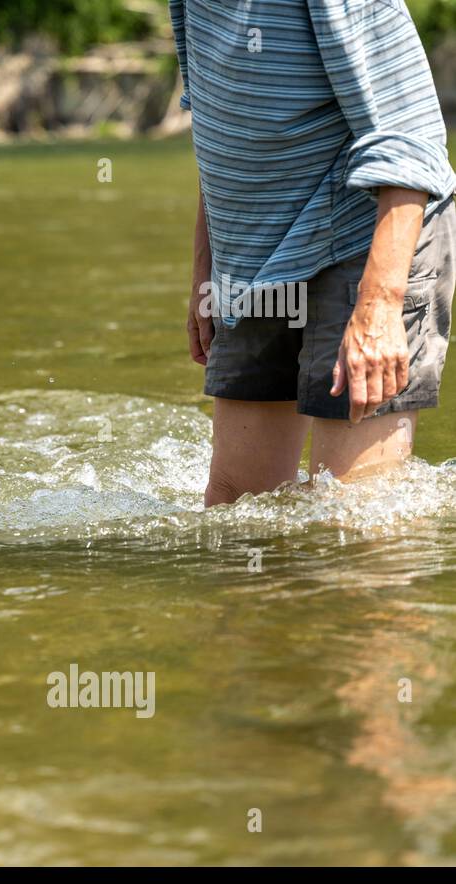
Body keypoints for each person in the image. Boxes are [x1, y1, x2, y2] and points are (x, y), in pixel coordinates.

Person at [170, 0, 456, 505]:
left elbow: (414, 142)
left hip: (367, 239)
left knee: (351, 514)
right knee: (235, 508)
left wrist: (379, 305)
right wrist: (205, 269)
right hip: (252, 251)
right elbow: (222, 124)